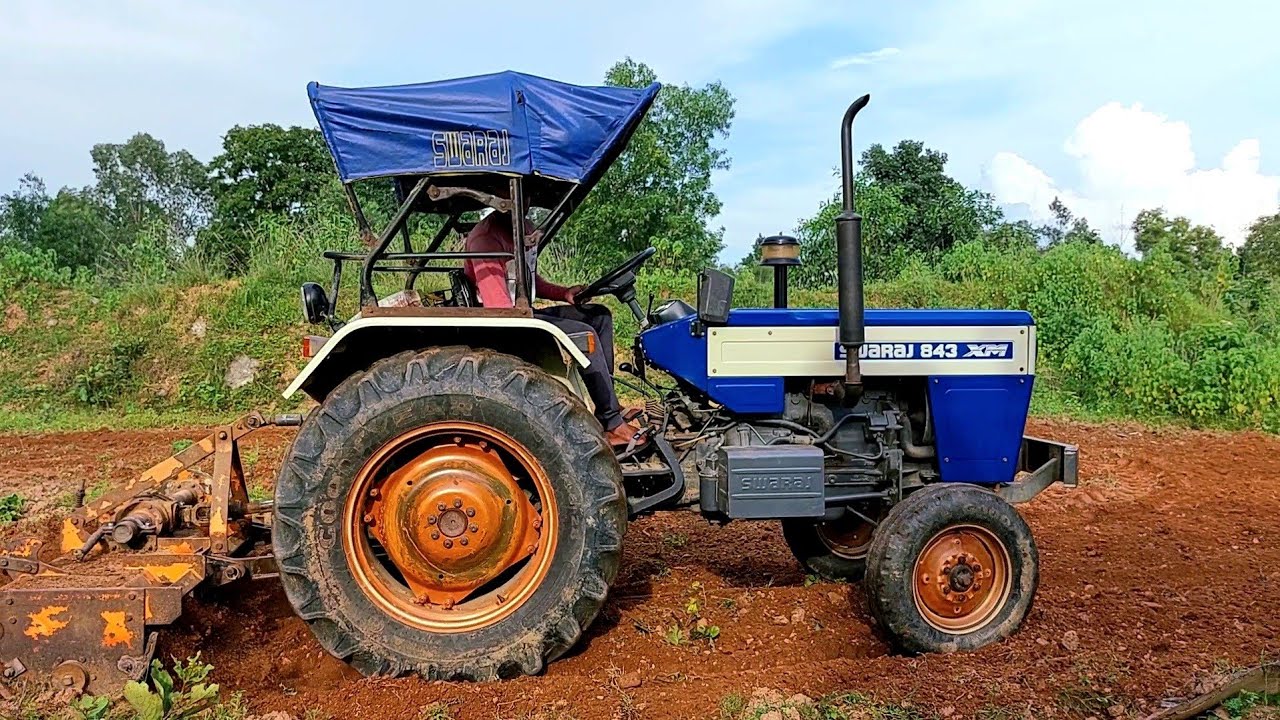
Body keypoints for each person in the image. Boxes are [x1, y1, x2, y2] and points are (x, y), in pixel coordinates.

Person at [463, 210, 646, 448]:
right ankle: (613, 425)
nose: (526, 201)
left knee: (599, 316)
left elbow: (527, 279)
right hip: (507, 319)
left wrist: (564, 293)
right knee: (584, 333)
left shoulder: (522, 227)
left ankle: (608, 409)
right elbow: (499, 307)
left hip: (522, 310)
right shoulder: (486, 239)